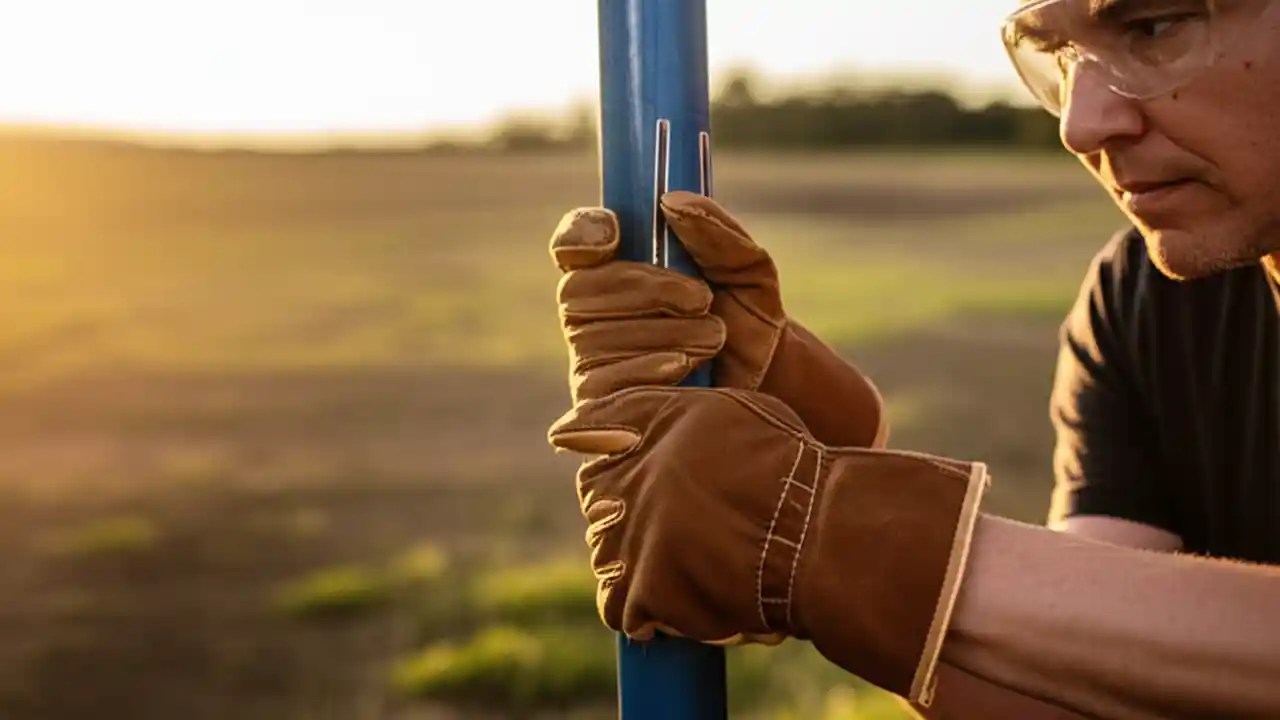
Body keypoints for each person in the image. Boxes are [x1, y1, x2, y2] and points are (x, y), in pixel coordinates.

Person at [545, 0, 1280, 716]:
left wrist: (844, 537)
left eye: (1154, 27)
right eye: (1058, 54)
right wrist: (824, 474)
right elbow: (1083, 690)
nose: (1079, 123)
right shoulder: (1144, 299)